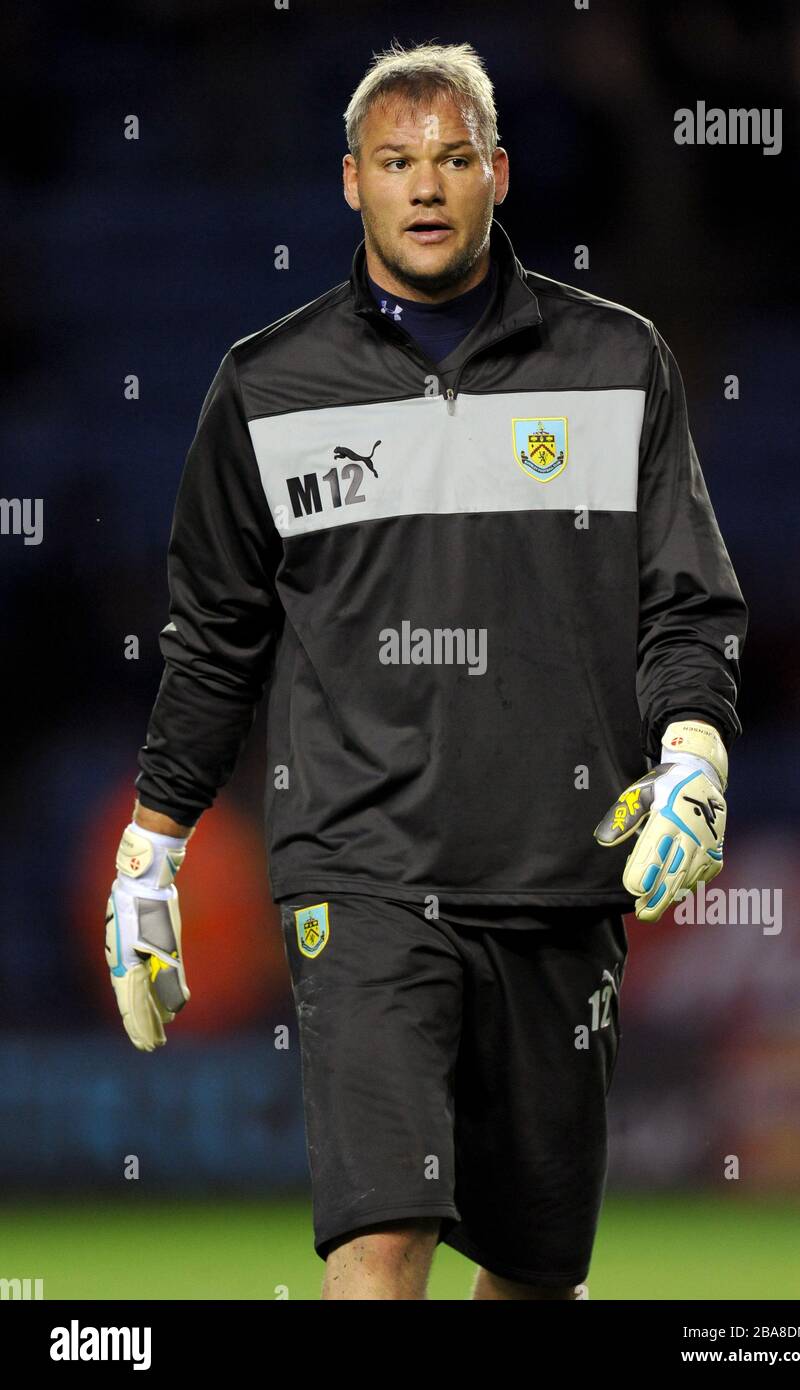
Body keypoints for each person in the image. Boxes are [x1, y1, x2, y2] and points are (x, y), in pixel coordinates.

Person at [104, 39, 747, 1300]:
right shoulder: (264, 389)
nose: (425, 185)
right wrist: (152, 846)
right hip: (361, 876)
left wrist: (695, 752)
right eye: (396, 162)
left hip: (560, 880)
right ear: (351, 183)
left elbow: (685, 601)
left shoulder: (615, 365)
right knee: (379, 1238)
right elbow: (215, 640)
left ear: (497, 173)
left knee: (531, 1272)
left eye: (452, 158)